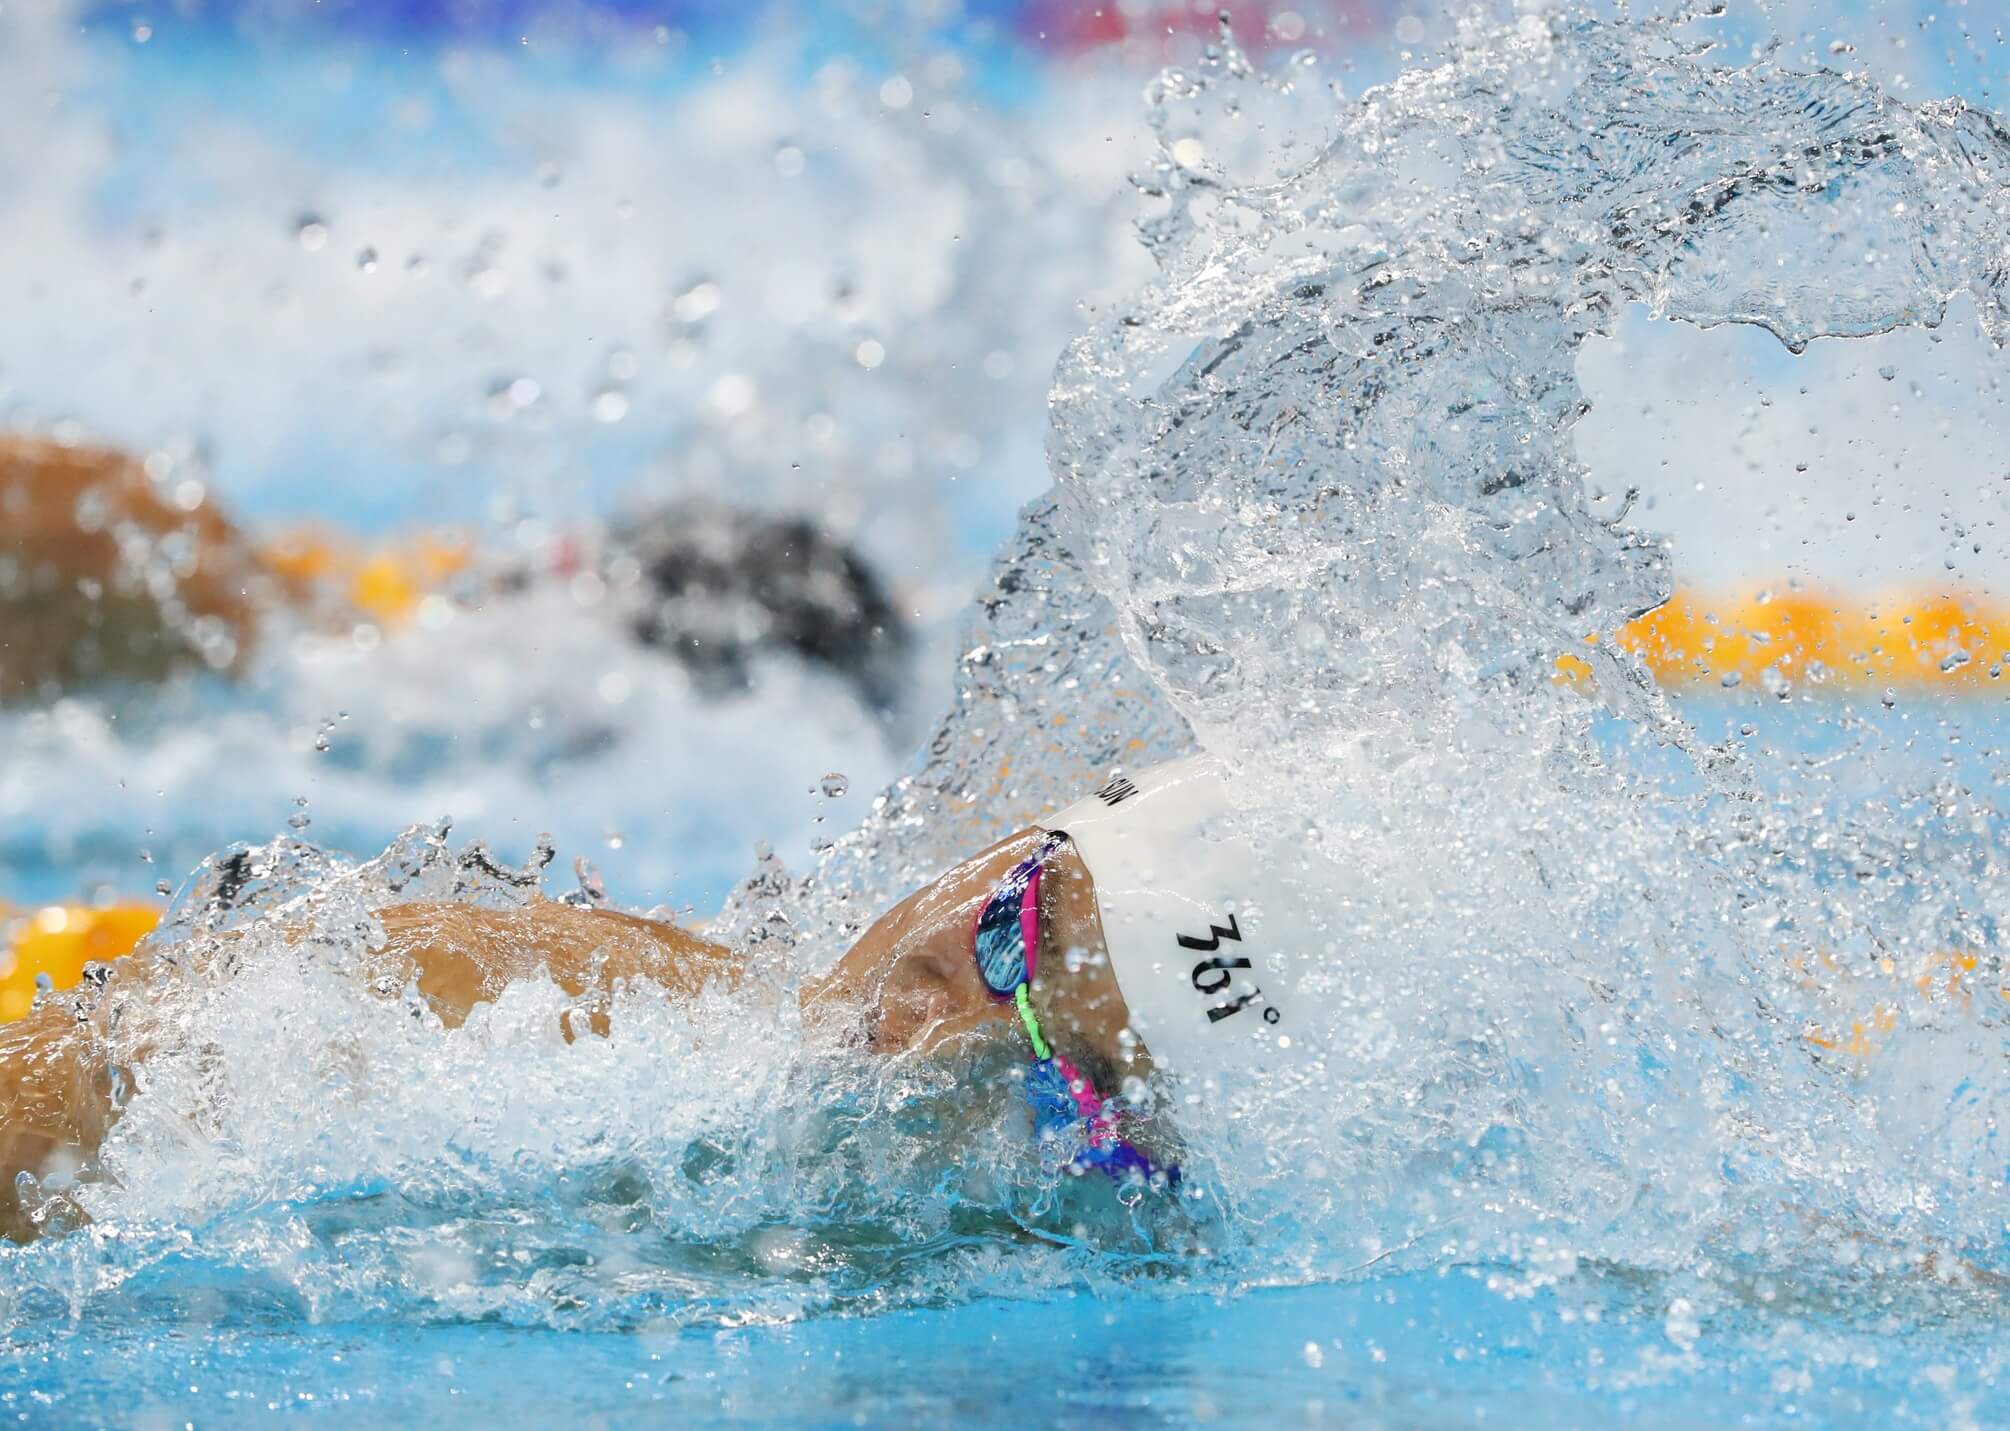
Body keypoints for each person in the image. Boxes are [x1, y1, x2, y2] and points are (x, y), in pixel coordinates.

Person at [0, 754, 1313, 1242]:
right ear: (1000, 853)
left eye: (1055, 1068)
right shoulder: (561, 1009)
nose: (944, 1031)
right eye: (1010, 938)